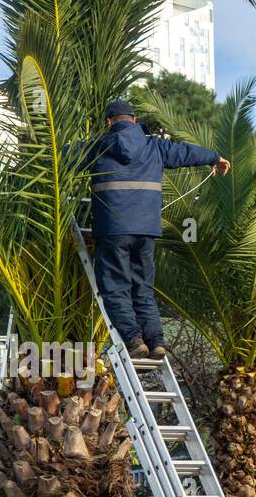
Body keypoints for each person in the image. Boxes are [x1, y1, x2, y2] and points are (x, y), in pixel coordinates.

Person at [86, 99, 230, 358]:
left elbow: (60, 156)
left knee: (116, 286)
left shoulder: (97, 148)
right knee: (142, 286)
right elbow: (185, 152)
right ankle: (157, 341)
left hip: (113, 230)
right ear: (134, 118)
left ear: (108, 122)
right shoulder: (155, 146)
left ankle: (133, 339)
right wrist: (214, 157)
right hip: (146, 230)